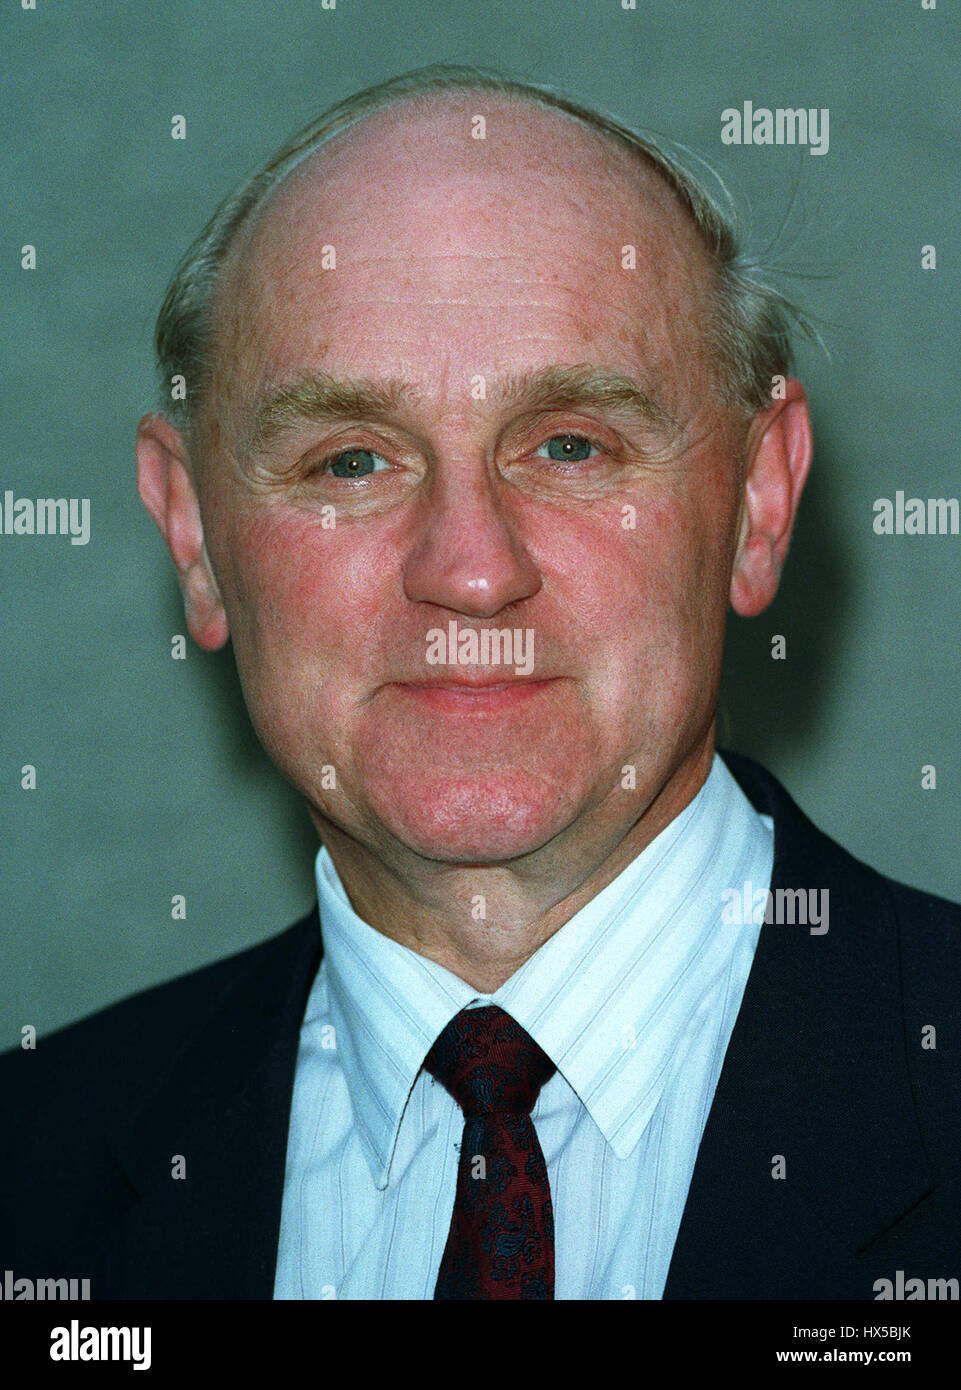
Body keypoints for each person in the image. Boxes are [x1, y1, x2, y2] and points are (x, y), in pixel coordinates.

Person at [2, 64, 959, 1302]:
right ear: (194, 536)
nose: (468, 569)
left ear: (758, 502)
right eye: (351, 459)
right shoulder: (32, 1174)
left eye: (570, 444)